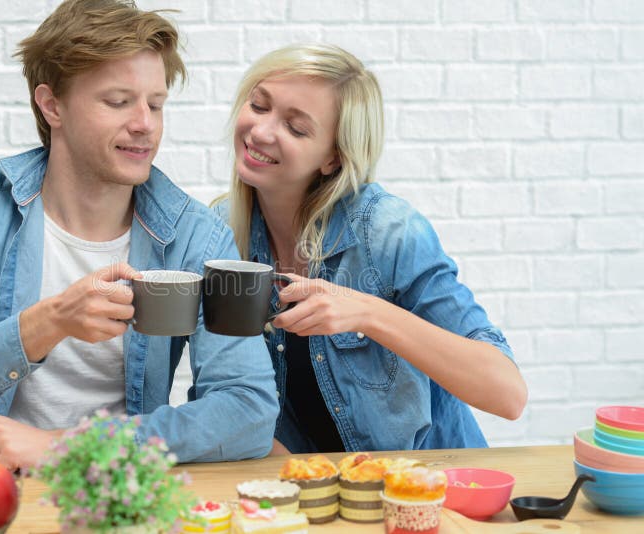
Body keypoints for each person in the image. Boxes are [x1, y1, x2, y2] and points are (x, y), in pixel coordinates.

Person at [0, 0, 278, 468]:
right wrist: (43, 325)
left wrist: (64, 448)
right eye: (118, 101)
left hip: (114, 495)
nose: (145, 125)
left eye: (155, 104)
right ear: (52, 105)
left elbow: (249, 411)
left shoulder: (196, 237)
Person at [213, 43, 527, 454]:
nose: (261, 131)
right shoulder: (222, 231)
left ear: (333, 159)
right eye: (259, 104)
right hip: (319, 496)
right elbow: (229, 393)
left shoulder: (388, 231)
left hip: (428, 487)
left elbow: (506, 393)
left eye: (296, 127)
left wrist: (368, 312)